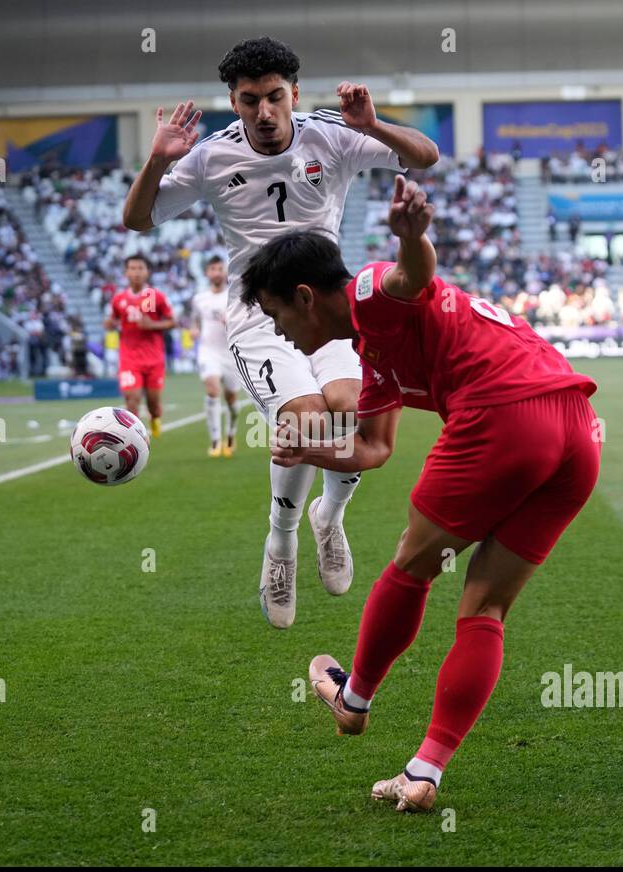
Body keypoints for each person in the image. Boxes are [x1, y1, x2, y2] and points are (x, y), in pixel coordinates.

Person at [239, 175, 600, 811]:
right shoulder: (373, 352)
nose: (282, 332)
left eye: (277, 316)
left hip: (504, 417)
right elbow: (374, 448)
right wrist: (308, 450)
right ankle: (424, 771)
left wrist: (412, 236)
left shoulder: (369, 293)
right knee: (484, 610)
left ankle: (354, 700)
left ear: (304, 296)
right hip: (576, 434)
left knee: (412, 567)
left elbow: (412, 276)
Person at [122, 35, 439, 628]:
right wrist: (160, 159)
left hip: (331, 307)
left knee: (351, 408)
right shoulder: (211, 155)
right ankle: (282, 543)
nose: (263, 114)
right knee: (308, 417)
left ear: (293, 93)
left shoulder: (331, 133)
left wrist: (374, 125)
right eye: (248, 101)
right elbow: (137, 219)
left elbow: (425, 156)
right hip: (259, 315)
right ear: (234, 101)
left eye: (273, 97)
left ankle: (331, 516)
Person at [106, 254, 176, 435]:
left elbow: (172, 321)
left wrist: (152, 325)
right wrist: (110, 324)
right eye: (132, 268)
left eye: (140, 268)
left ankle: (155, 419)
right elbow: (112, 320)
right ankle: (132, 435)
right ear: (126, 272)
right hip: (129, 358)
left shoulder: (154, 296)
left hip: (154, 359)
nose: (136, 272)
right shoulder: (118, 299)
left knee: (153, 403)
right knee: (132, 399)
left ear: (147, 272)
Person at [189, 255, 242, 457]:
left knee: (231, 399)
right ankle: (214, 439)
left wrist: (230, 322)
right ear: (207, 273)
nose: (217, 272)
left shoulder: (233, 297)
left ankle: (230, 433)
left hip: (229, 353)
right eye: (213, 269)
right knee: (212, 390)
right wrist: (194, 330)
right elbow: (195, 321)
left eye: (220, 268)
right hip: (208, 351)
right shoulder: (199, 299)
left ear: (225, 272)